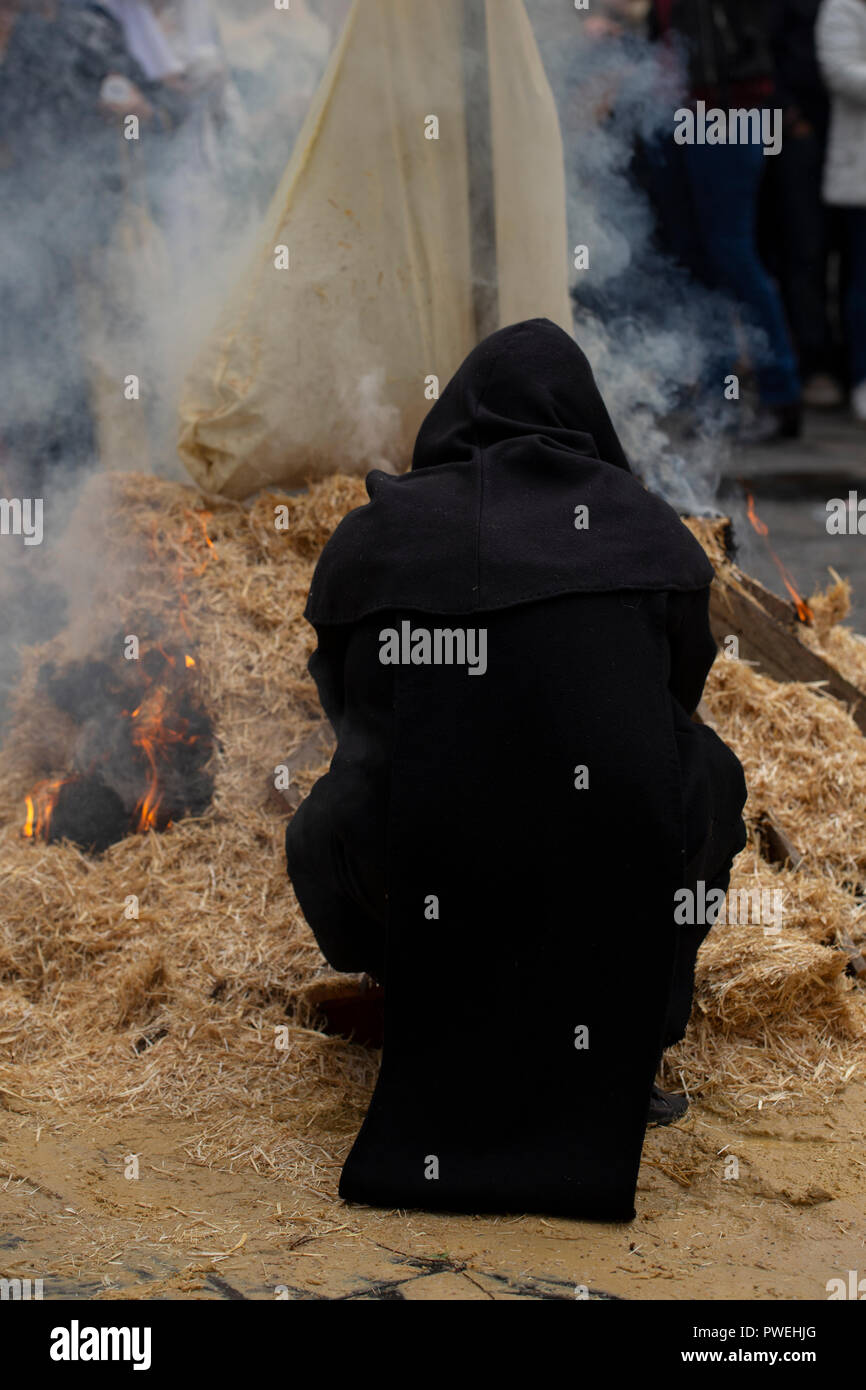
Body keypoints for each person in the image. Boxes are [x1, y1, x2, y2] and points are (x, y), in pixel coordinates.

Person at [285, 319, 748, 1221]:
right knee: (708, 778)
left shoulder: (377, 536)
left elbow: (343, 708)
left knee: (330, 813)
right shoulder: (651, 536)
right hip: (608, 869)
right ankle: (636, 1030)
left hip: (430, 866)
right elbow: (678, 697)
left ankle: (417, 989)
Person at [648, 0, 803, 442]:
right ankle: (718, 401)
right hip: (680, 113)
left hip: (727, 113)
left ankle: (780, 393)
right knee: (696, 258)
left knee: (732, 255)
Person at [765, 0, 844, 409]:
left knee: (846, 254)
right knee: (805, 250)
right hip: (800, 135)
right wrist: (789, 116)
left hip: (848, 130)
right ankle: (814, 363)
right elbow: (767, 50)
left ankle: (846, 364)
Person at [817, 0, 866, 424]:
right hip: (860, 174)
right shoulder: (843, 7)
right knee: (862, 284)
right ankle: (862, 379)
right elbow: (840, 71)